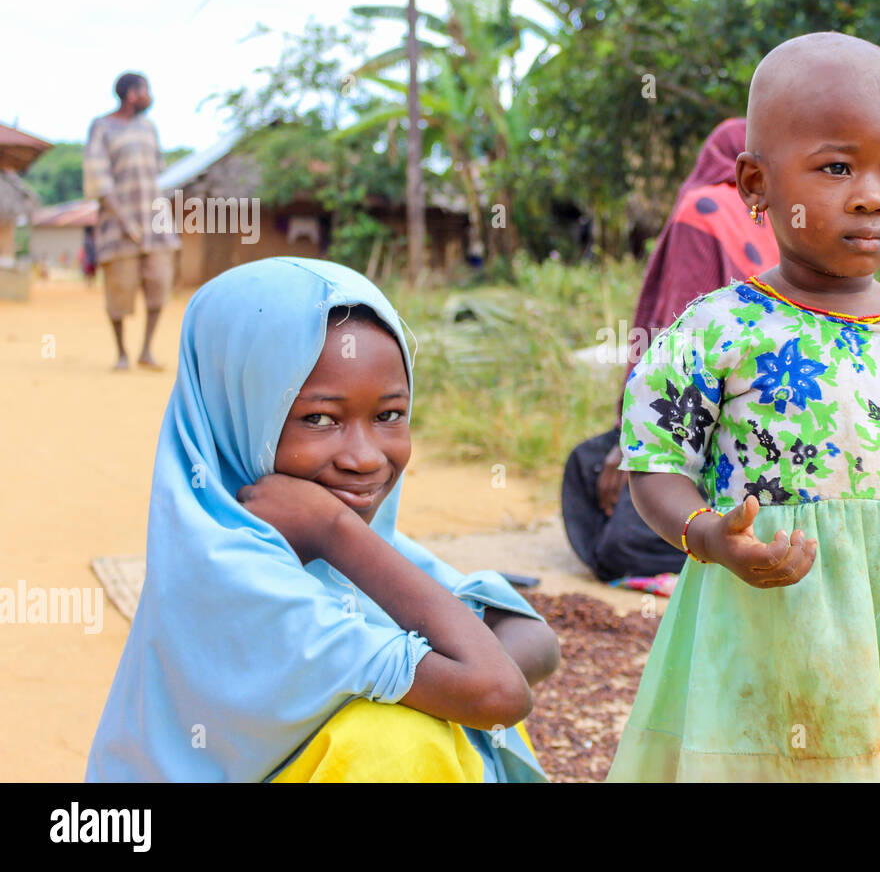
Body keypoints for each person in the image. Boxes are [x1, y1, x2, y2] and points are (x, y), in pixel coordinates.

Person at [607, 32, 880, 781]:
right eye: (836, 167)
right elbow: (655, 464)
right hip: (763, 623)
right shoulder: (719, 328)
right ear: (756, 183)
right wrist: (708, 536)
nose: (872, 195)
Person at [86, 257, 560, 782]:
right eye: (319, 418)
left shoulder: (349, 547)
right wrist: (336, 532)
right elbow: (497, 693)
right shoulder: (235, 576)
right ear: (234, 413)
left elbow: (534, 639)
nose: (365, 457)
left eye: (388, 415)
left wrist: (344, 540)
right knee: (395, 742)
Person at [562, 117, 779, 581]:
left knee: (610, 523)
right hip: (768, 431)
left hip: (703, 421)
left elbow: (677, 340)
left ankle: (723, 553)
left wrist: (628, 438)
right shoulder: (779, 219)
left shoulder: (704, 208)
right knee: (595, 467)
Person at [83, 72, 179, 371]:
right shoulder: (101, 127)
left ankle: (146, 351)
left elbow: (159, 172)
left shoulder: (149, 128)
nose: (150, 96)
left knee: (159, 284)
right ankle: (122, 353)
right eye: (145, 90)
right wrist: (124, 219)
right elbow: (98, 179)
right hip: (117, 226)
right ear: (131, 94)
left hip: (155, 224)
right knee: (119, 290)